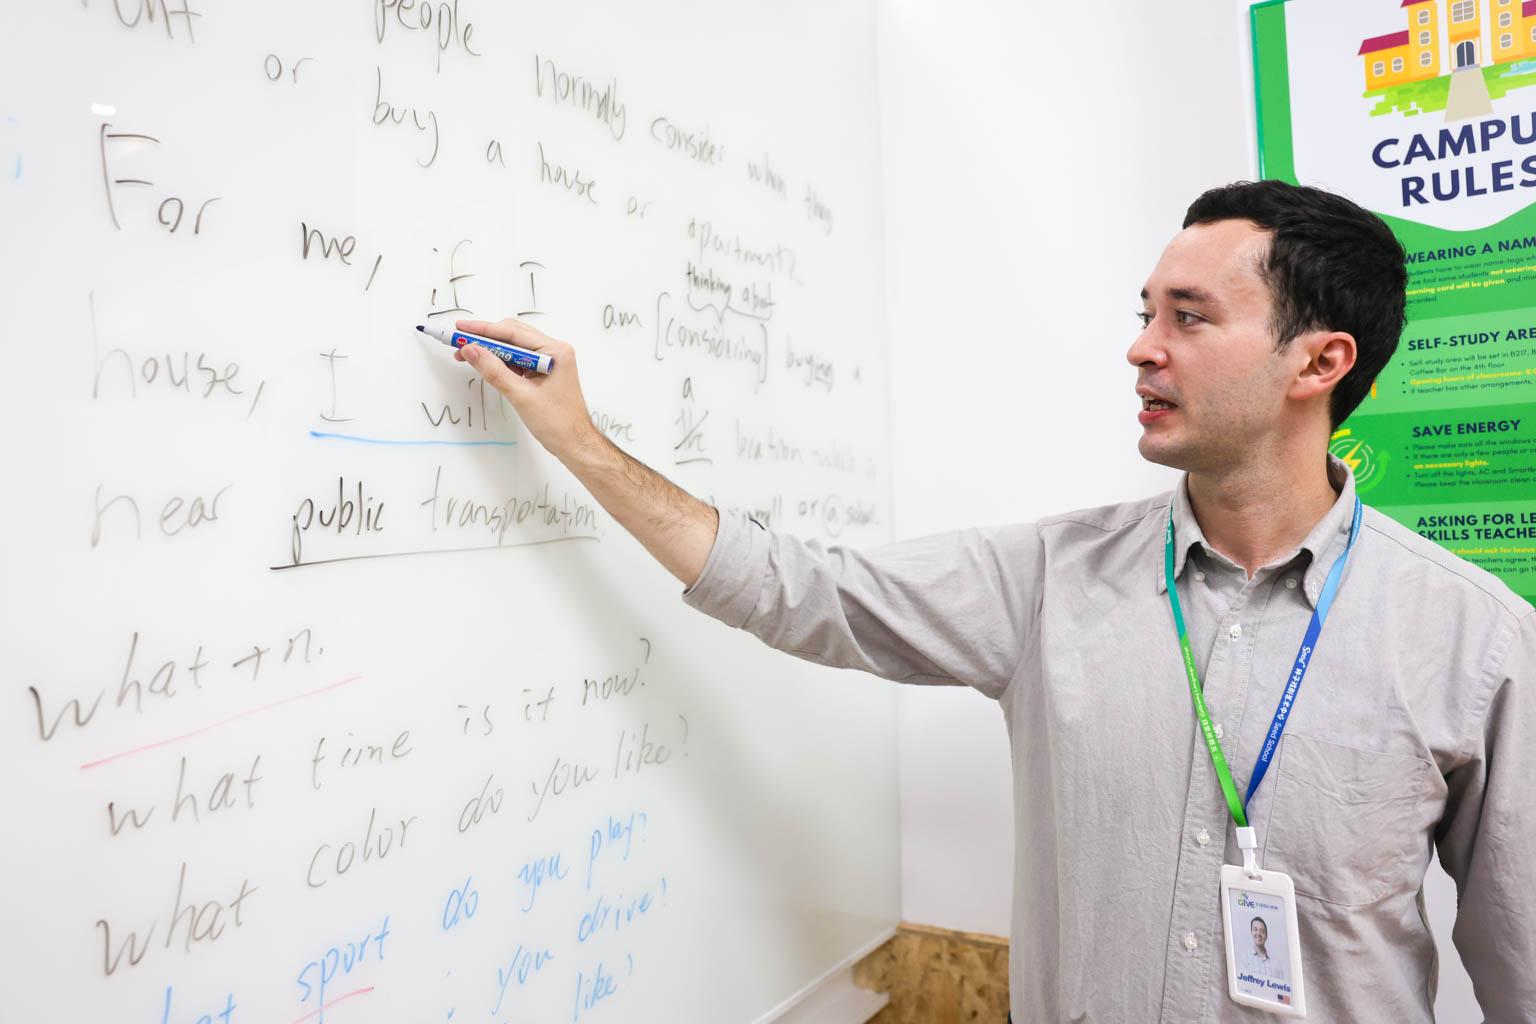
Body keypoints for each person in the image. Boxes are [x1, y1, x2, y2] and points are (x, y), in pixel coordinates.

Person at [452, 180, 1535, 1022]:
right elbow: (801, 590)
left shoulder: (1473, 638)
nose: (1141, 346)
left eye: (1191, 317)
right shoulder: (1051, 577)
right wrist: (581, 442)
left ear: (1320, 362)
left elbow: (1520, 960)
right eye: (1146, 312)